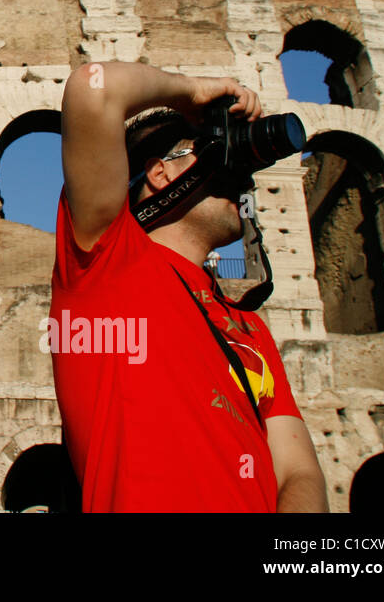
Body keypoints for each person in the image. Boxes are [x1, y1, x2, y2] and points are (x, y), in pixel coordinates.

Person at [54, 61, 327, 512]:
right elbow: (93, 87)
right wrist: (193, 93)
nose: (241, 178)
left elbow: (298, 469)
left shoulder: (250, 329)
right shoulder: (105, 266)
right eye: (215, 154)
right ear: (161, 174)